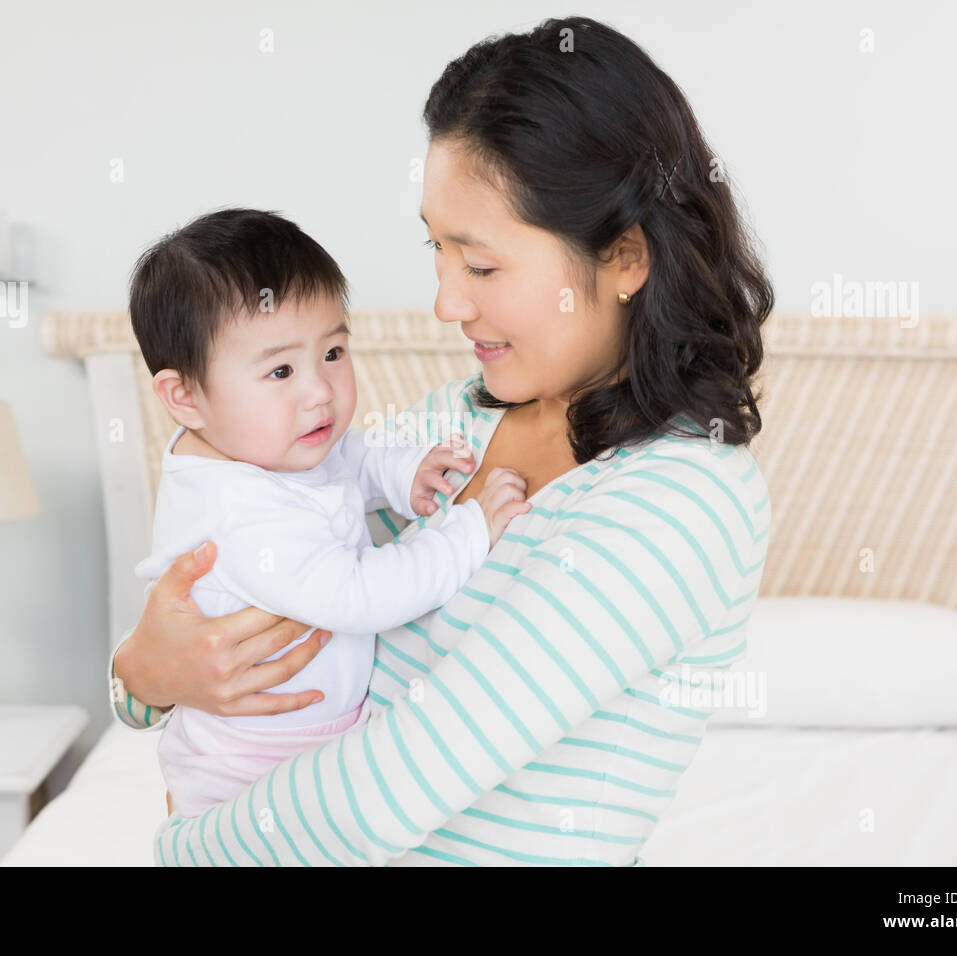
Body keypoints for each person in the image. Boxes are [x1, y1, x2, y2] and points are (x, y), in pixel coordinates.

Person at [111, 15, 774, 865]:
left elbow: (382, 798)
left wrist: (185, 850)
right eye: (437, 249)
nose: (446, 304)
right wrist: (140, 679)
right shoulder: (455, 421)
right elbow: (254, 596)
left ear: (623, 257)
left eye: (482, 265)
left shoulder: (682, 500)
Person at [127, 208, 532, 817]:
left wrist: (405, 475)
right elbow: (361, 595)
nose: (320, 390)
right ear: (184, 396)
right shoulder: (237, 514)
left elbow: (353, 458)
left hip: (315, 751)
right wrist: (467, 530)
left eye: (335, 352)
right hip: (243, 778)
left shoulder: (272, 445)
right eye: (281, 370)